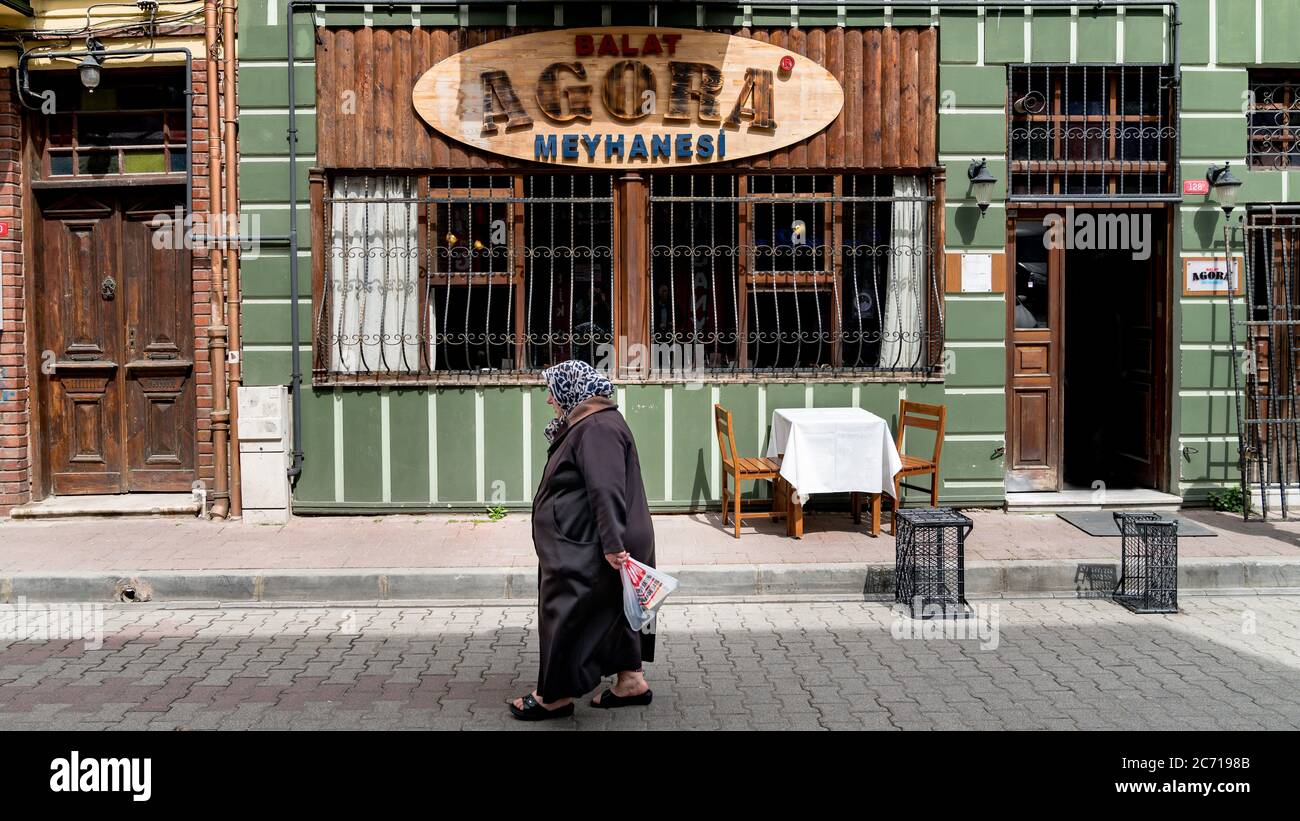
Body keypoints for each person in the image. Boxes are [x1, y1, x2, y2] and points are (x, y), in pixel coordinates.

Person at [509, 360, 657, 721]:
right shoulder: (595, 422)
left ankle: (554, 696)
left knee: (566, 611)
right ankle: (631, 681)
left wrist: (612, 545)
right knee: (618, 609)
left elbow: (605, 489)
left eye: (553, 389)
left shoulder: (595, 428)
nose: (548, 399)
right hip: (600, 539)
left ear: (574, 391)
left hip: (593, 544)